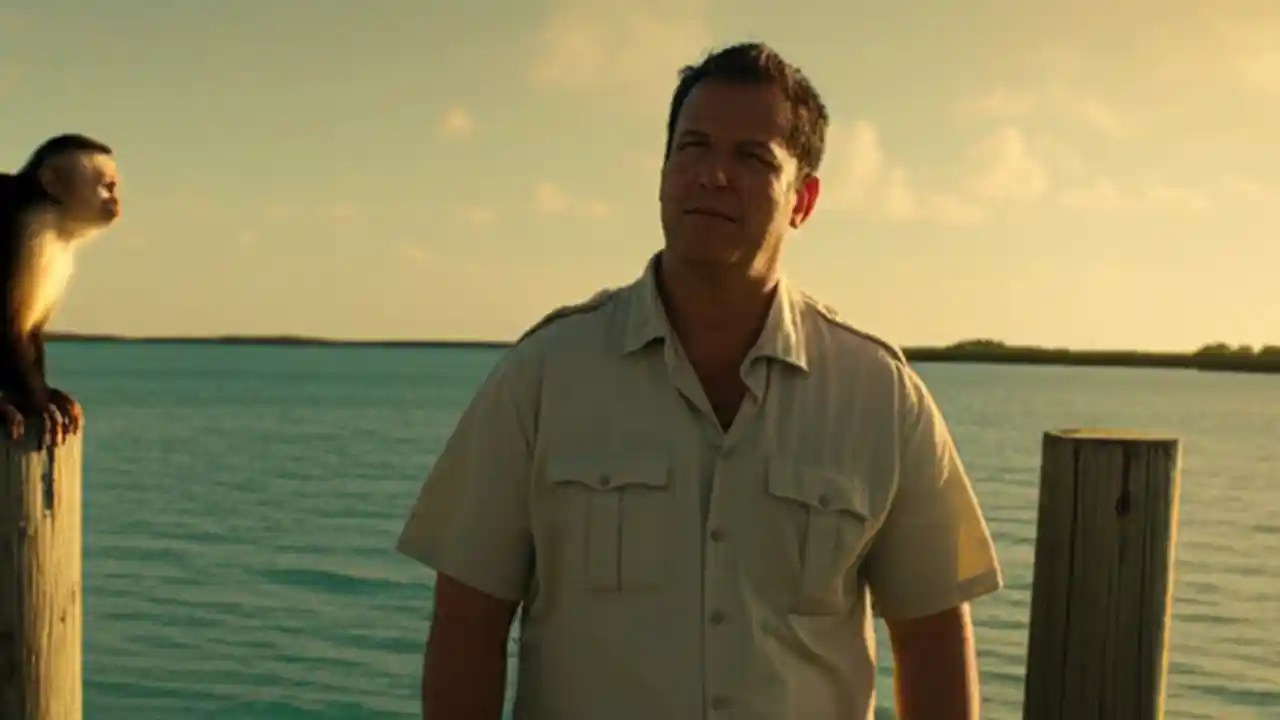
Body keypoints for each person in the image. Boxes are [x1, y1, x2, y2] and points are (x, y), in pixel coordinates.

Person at [396, 41, 1003, 720]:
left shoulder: (881, 398)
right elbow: (467, 622)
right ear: (662, 172)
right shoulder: (544, 375)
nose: (713, 175)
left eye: (752, 157)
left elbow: (930, 638)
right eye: (693, 147)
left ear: (802, 200)